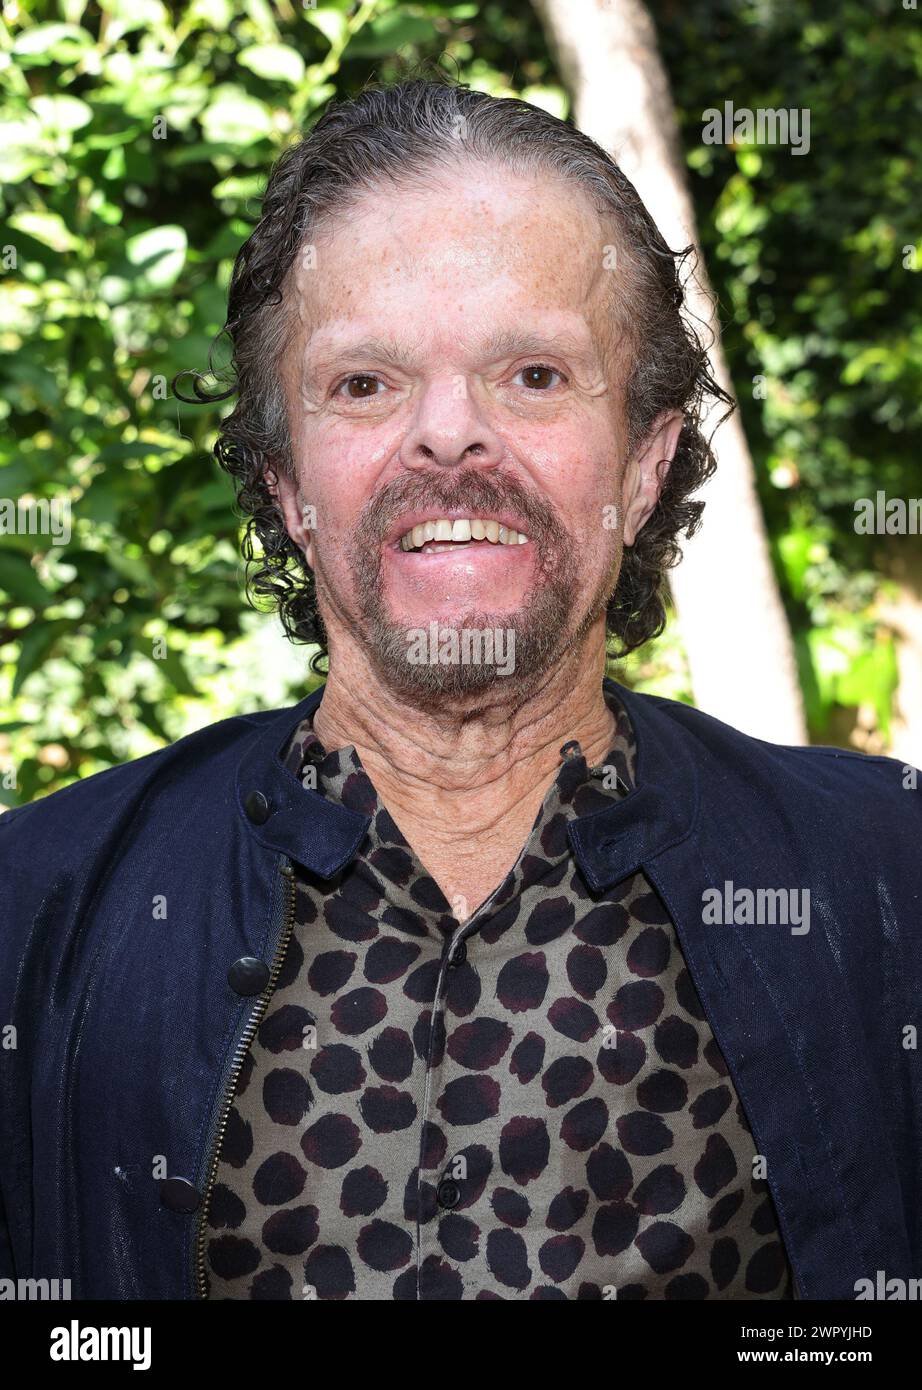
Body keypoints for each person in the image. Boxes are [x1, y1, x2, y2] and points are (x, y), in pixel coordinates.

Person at [2, 77, 919, 1302]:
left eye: (534, 374)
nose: (450, 437)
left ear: (646, 463)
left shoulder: (888, 885)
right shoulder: (34, 919)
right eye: (365, 383)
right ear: (285, 485)